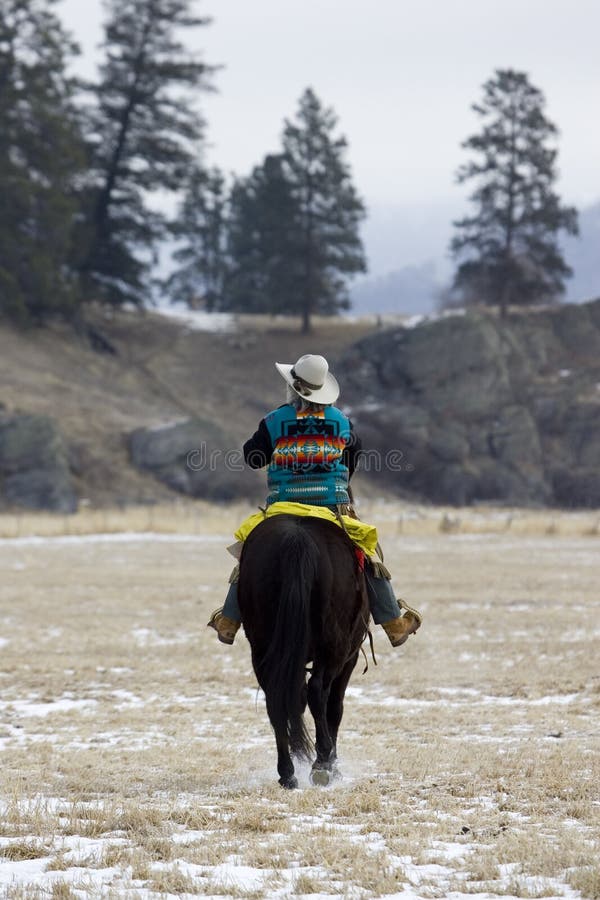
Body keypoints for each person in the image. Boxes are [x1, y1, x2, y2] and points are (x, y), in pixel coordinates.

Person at [208, 354, 422, 647]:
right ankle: (394, 623)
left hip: (283, 504)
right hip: (331, 505)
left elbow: (251, 456)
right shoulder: (342, 422)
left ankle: (229, 620)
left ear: (292, 389)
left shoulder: (274, 420)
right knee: (366, 553)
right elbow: (352, 459)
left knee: (249, 553)